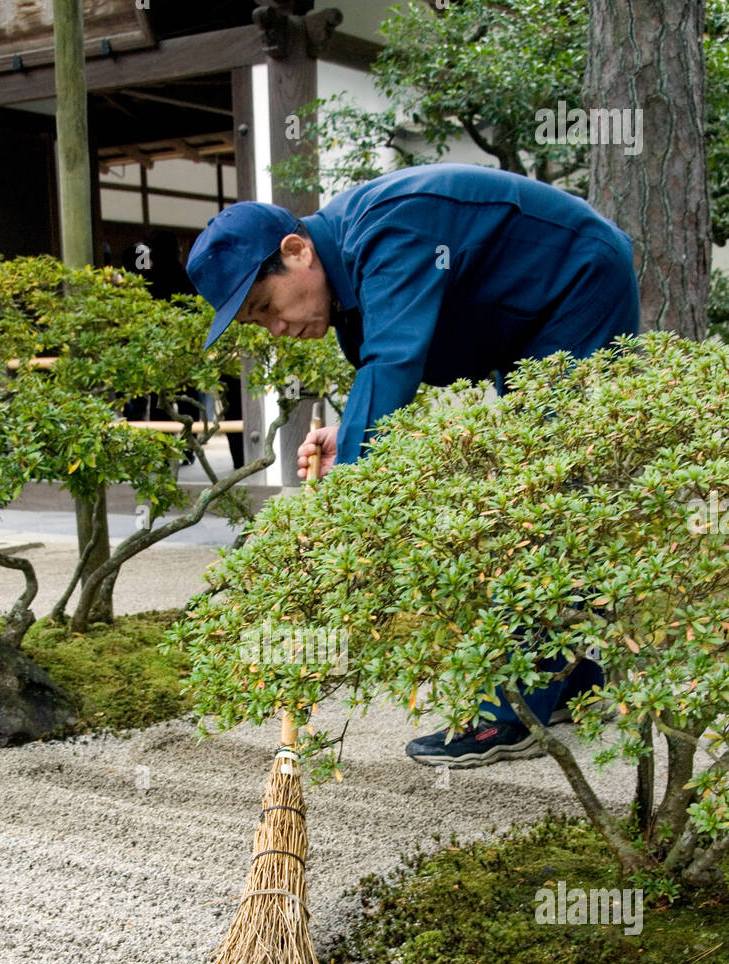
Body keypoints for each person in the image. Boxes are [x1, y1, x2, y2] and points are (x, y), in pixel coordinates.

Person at [185, 165, 640, 767]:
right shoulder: (347, 284)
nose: (279, 328)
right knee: (534, 493)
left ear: (296, 252)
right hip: (523, 329)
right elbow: (394, 374)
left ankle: (513, 713)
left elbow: (393, 363)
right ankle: (566, 683)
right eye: (258, 323)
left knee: (545, 498)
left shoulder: (389, 230)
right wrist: (345, 436)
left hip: (581, 285)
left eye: (268, 305)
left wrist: (333, 522)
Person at [122, 231, 244, 469]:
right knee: (192, 403)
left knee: (162, 404)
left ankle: (163, 454)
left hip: (162, 355)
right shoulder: (188, 276)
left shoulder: (150, 279)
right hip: (191, 352)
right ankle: (193, 451)